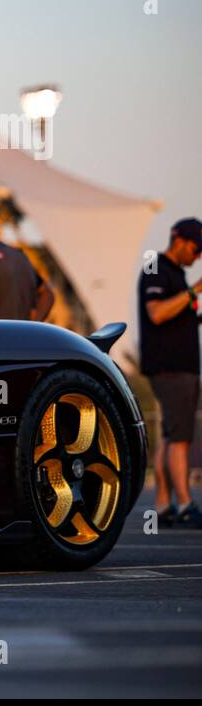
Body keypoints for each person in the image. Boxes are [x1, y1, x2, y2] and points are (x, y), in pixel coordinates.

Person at [138, 217, 202, 527]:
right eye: (196, 248)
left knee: (170, 435)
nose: (198, 256)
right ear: (180, 241)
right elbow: (157, 312)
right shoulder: (155, 266)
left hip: (181, 366)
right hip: (171, 368)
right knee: (180, 439)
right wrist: (195, 291)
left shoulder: (176, 274)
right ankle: (186, 502)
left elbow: (175, 315)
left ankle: (163, 505)